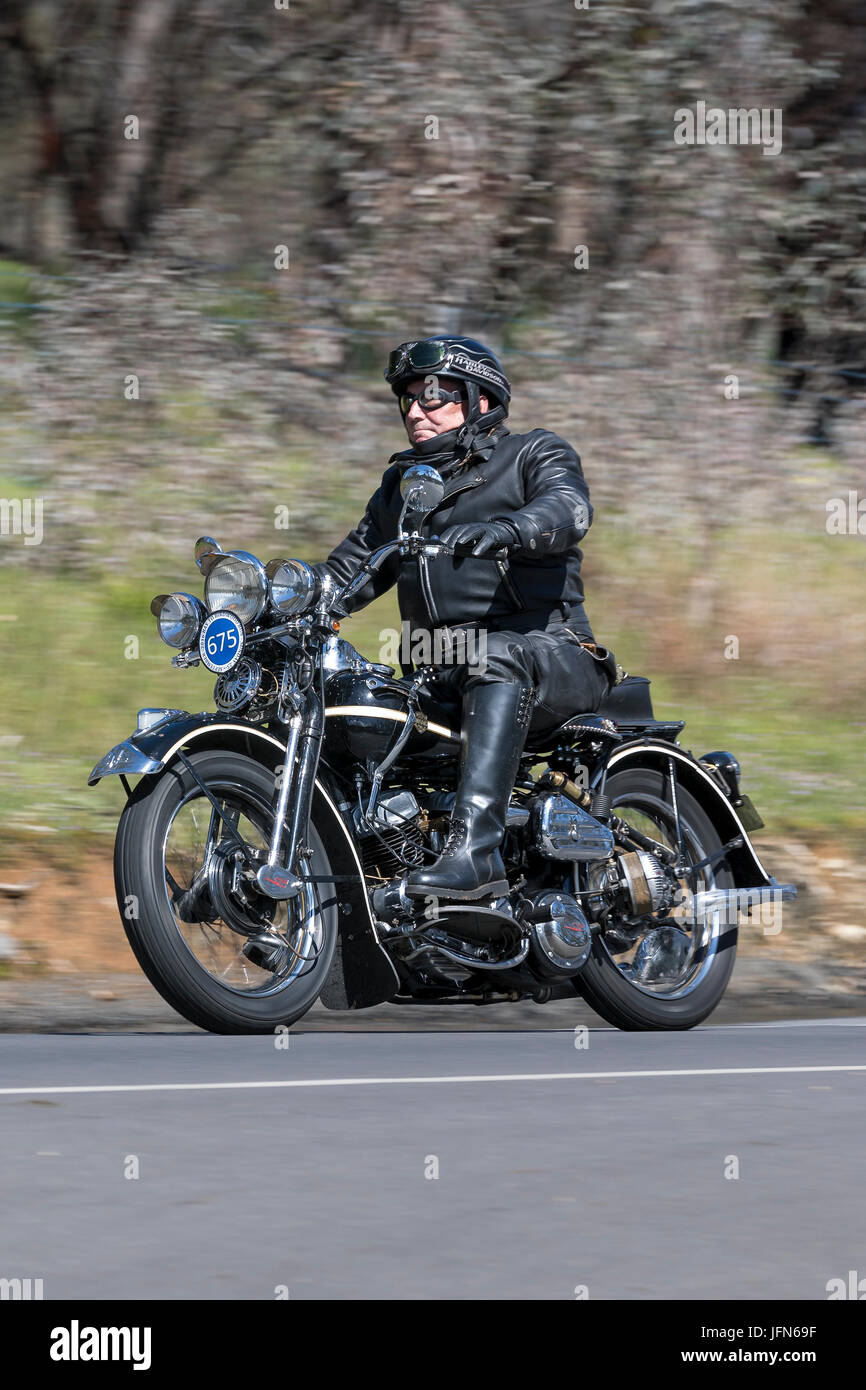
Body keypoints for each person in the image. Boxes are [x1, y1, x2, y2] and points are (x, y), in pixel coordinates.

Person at [317, 336, 616, 901]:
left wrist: (512, 530)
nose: (414, 410)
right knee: (347, 697)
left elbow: (569, 509)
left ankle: (476, 856)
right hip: (437, 670)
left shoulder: (533, 453)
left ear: (480, 401)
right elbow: (348, 572)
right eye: (407, 399)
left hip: (553, 653)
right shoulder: (402, 490)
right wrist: (270, 599)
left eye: (432, 396)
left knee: (491, 655)